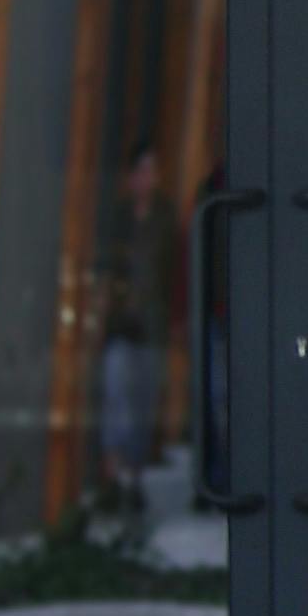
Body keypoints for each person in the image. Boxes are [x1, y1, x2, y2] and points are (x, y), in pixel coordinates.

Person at [88, 143, 175, 505]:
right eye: (142, 171)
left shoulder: (165, 218)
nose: (147, 179)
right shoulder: (119, 219)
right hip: (122, 324)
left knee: (141, 402)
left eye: (152, 171)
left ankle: (134, 479)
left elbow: (172, 272)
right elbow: (105, 269)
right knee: (116, 396)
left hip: (152, 326)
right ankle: (113, 474)